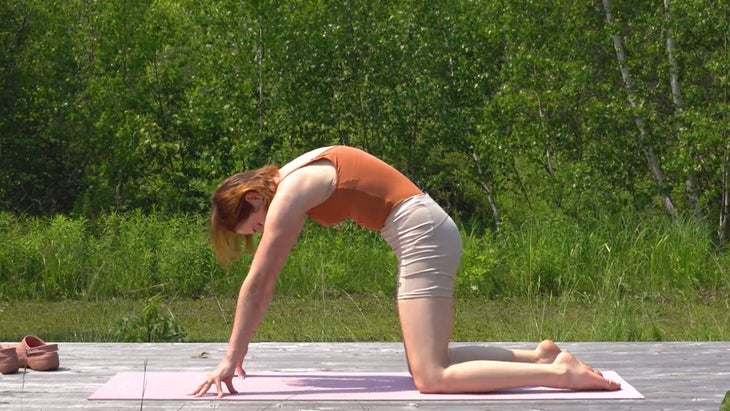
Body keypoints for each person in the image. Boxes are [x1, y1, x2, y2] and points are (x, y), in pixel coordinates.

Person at [191, 145, 621, 398]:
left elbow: (260, 284)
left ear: (250, 200)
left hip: (423, 234)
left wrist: (233, 355)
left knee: (431, 378)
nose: (259, 232)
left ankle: (561, 375)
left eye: (253, 225)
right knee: (434, 362)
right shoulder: (295, 172)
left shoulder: (287, 194)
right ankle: (540, 356)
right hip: (425, 229)